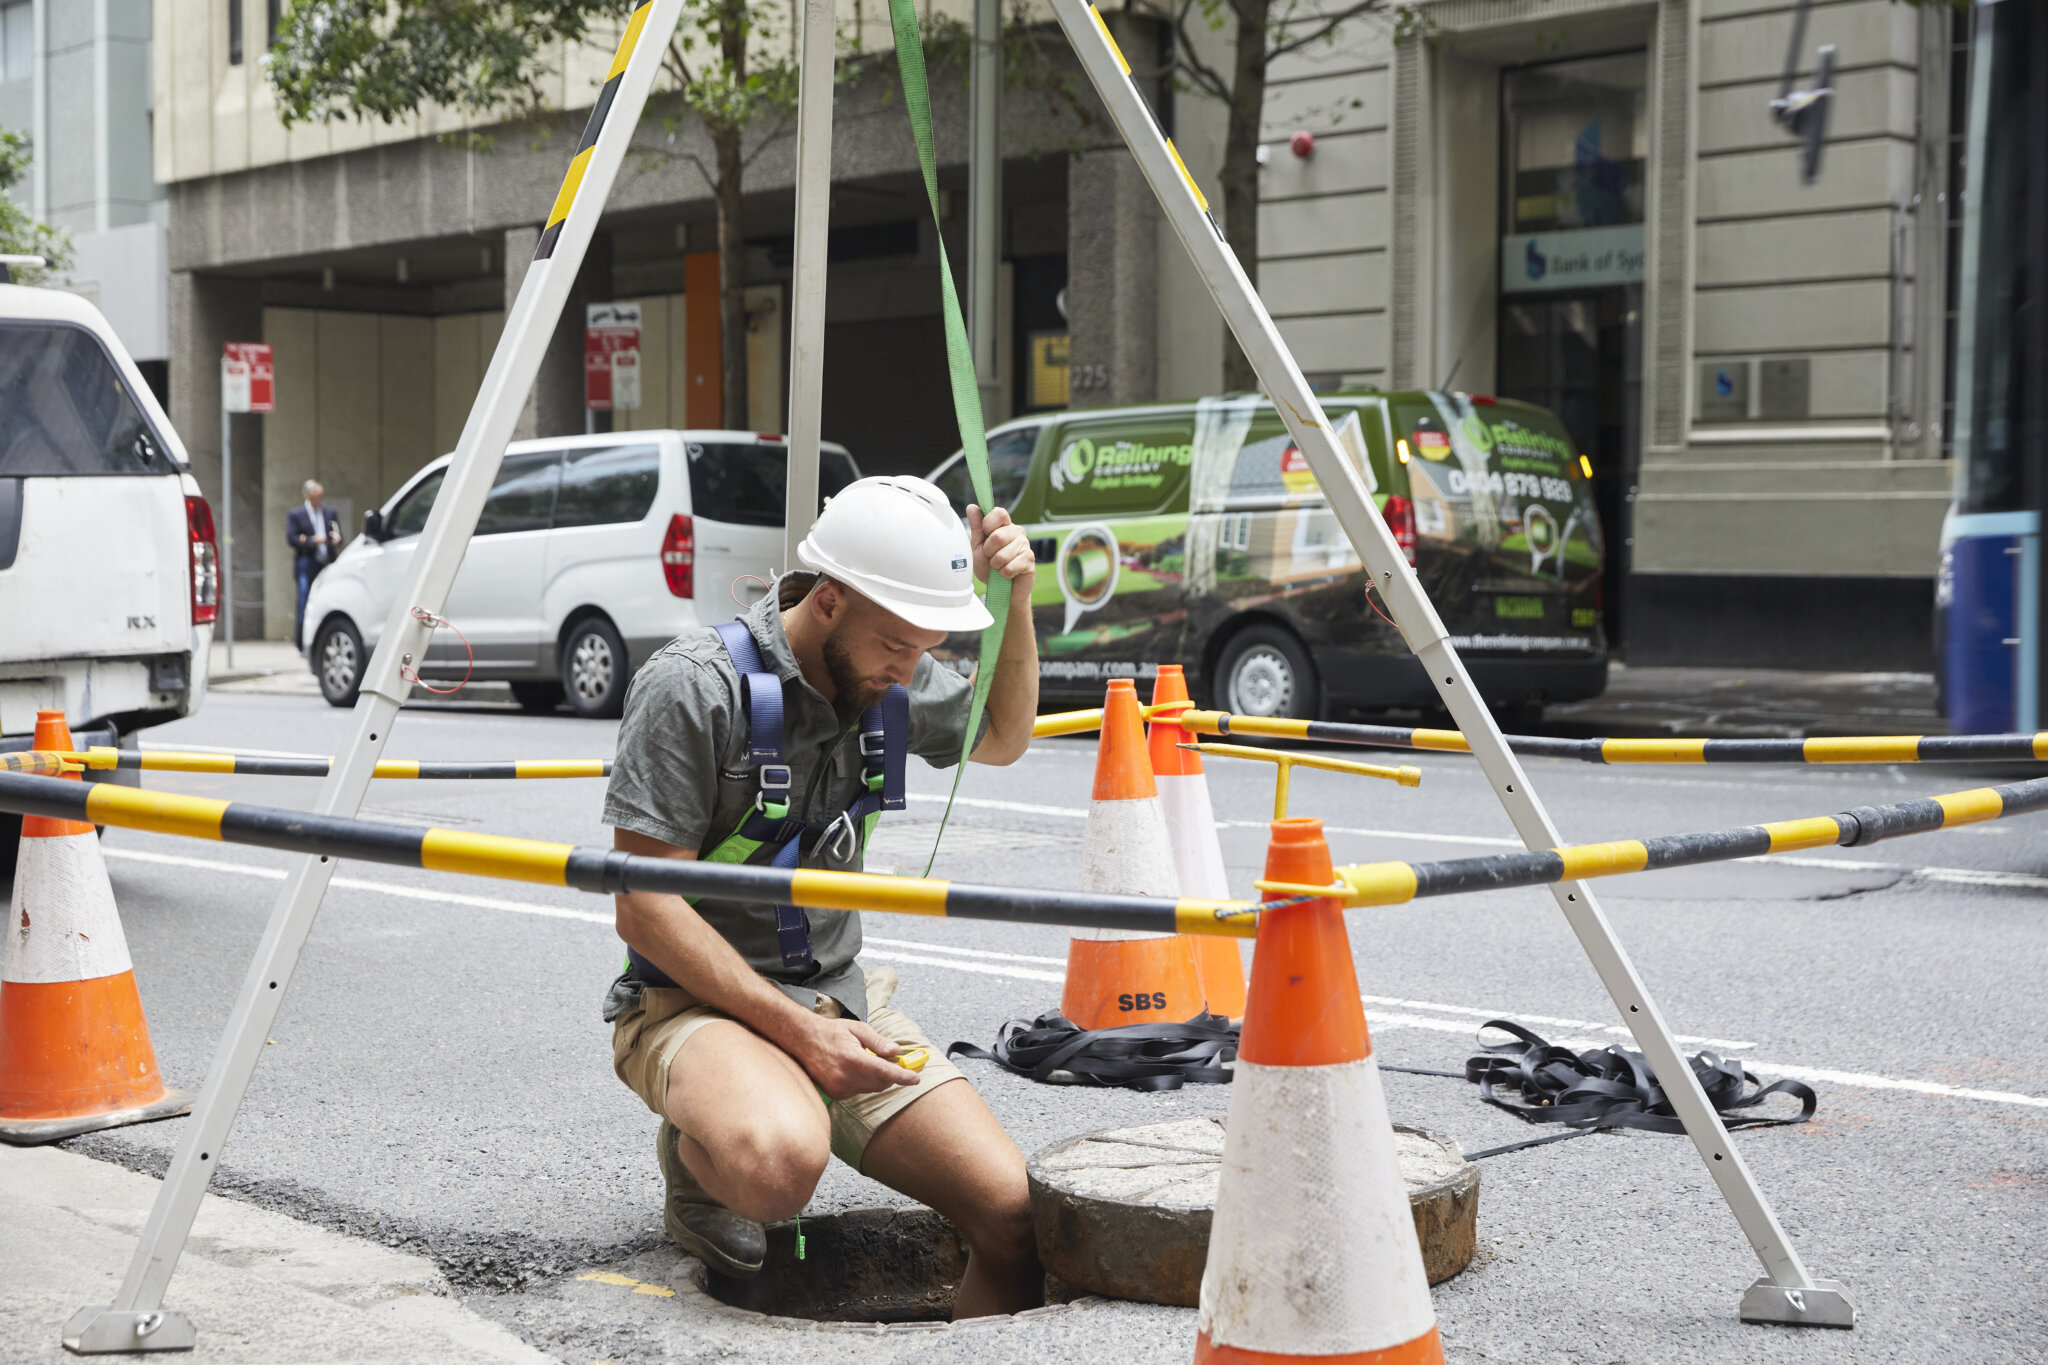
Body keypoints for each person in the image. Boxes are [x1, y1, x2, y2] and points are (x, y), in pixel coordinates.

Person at [601, 475, 1043, 1317]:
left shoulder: (892, 676)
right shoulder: (693, 686)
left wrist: (1016, 597)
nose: (908, 669)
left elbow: (1003, 734)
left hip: (840, 1007)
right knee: (776, 1167)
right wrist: (800, 1035)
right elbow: (643, 905)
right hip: (690, 1006)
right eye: (896, 644)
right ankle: (701, 1156)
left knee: (1016, 1217)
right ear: (831, 601)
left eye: (925, 648)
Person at [285, 480, 341, 652]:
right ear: (308, 496)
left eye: (320, 497)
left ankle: (325, 640)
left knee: (331, 600)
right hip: (306, 561)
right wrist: (311, 540)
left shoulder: (329, 513)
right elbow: (291, 538)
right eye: (315, 497)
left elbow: (339, 534)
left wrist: (335, 538)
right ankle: (302, 642)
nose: (318, 500)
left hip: (327, 561)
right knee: (304, 600)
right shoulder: (296, 514)